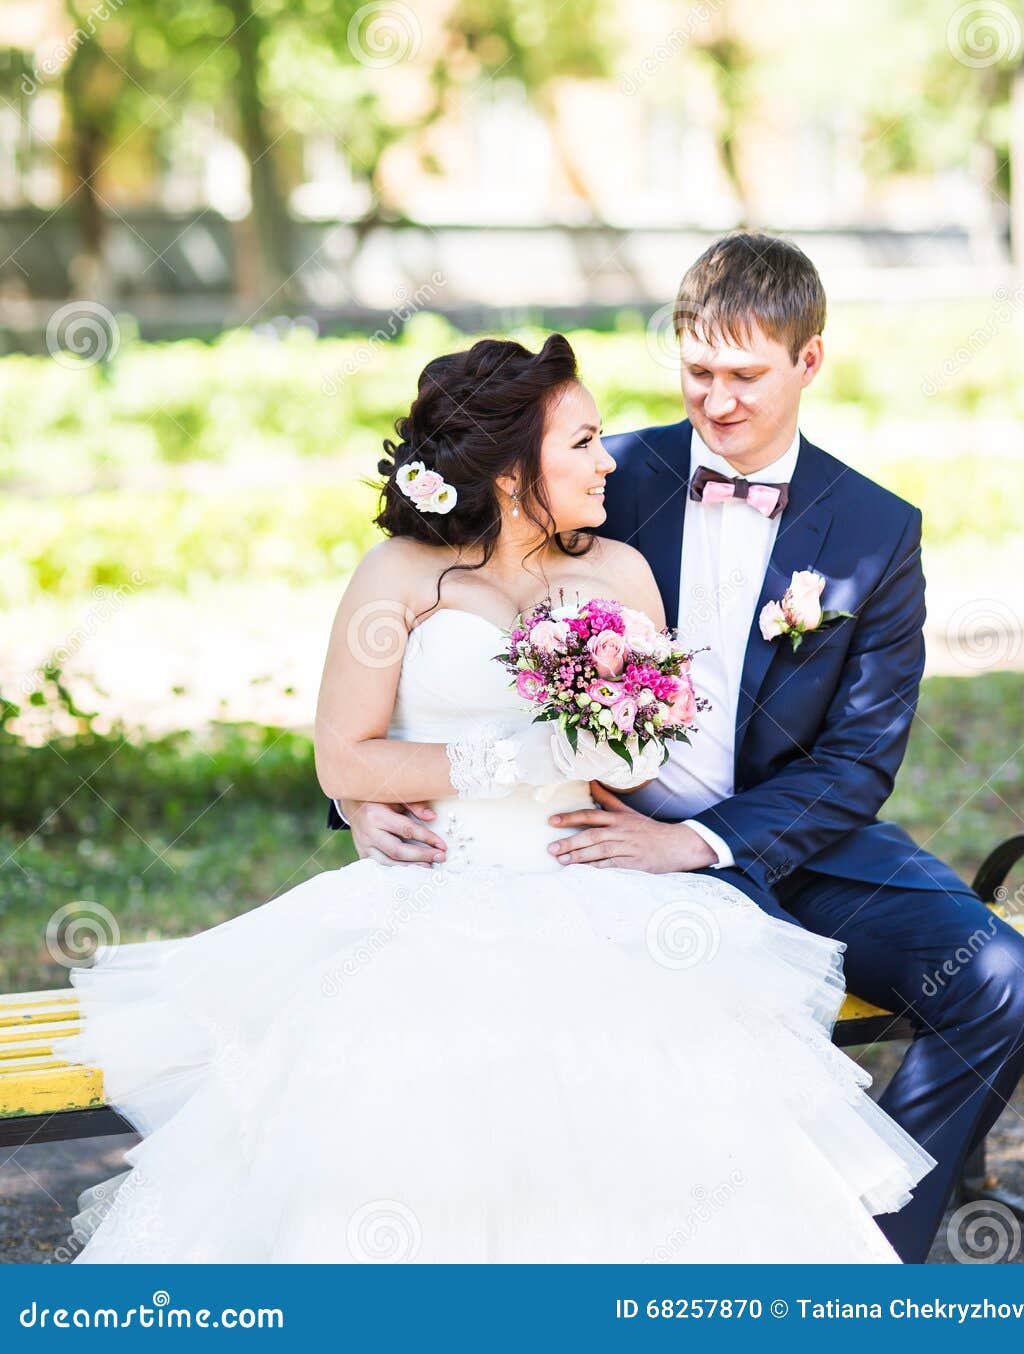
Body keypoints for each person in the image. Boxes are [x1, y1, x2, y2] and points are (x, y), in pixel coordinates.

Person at [66, 332, 932, 1263]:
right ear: (516, 475)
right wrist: (509, 757)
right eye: (584, 443)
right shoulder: (395, 575)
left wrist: (622, 718)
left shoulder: (616, 573)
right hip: (437, 889)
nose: (610, 461)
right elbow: (344, 760)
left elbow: (638, 769)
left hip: (594, 885)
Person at [340, 236, 1024, 1264]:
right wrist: (367, 795)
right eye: (696, 369)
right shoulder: (593, 473)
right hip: (587, 840)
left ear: (808, 363)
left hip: (794, 839)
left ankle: (856, 1254)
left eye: (744, 375)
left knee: (999, 978)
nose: (715, 400)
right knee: (718, 1007)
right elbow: (424, 616)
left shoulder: (872, 531)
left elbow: (857, 759)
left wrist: (702, 846)